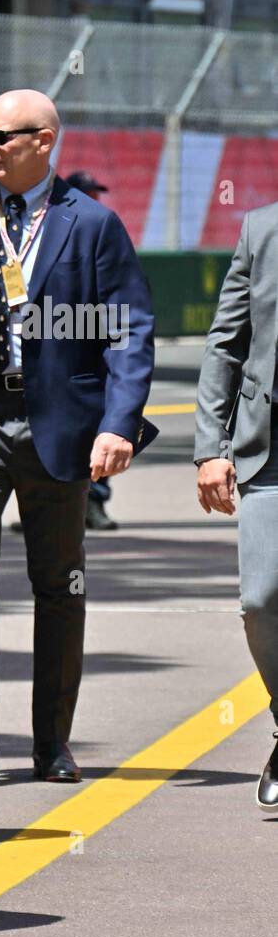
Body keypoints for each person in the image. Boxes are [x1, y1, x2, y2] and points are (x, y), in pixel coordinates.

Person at [0, 89, 156, 786]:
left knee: (59, 586)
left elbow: (129, 332)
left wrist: (118, 423)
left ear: (44, 141)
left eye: (2, 136)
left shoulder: (93, 224)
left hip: (61, 426)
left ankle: (51, 744)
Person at [195, 200, 278, 811]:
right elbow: (226, 343)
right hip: (267, 447)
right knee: (261, 600)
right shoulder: (261, 227)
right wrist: (209, 449)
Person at [66, 170, 118, 532]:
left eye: (96, 194)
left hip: (94, 353)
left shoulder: (104, 233)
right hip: (56, 351)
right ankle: (42, 507)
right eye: (87, 194)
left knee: (98, 429)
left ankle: (94, 502)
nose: (94, 200)